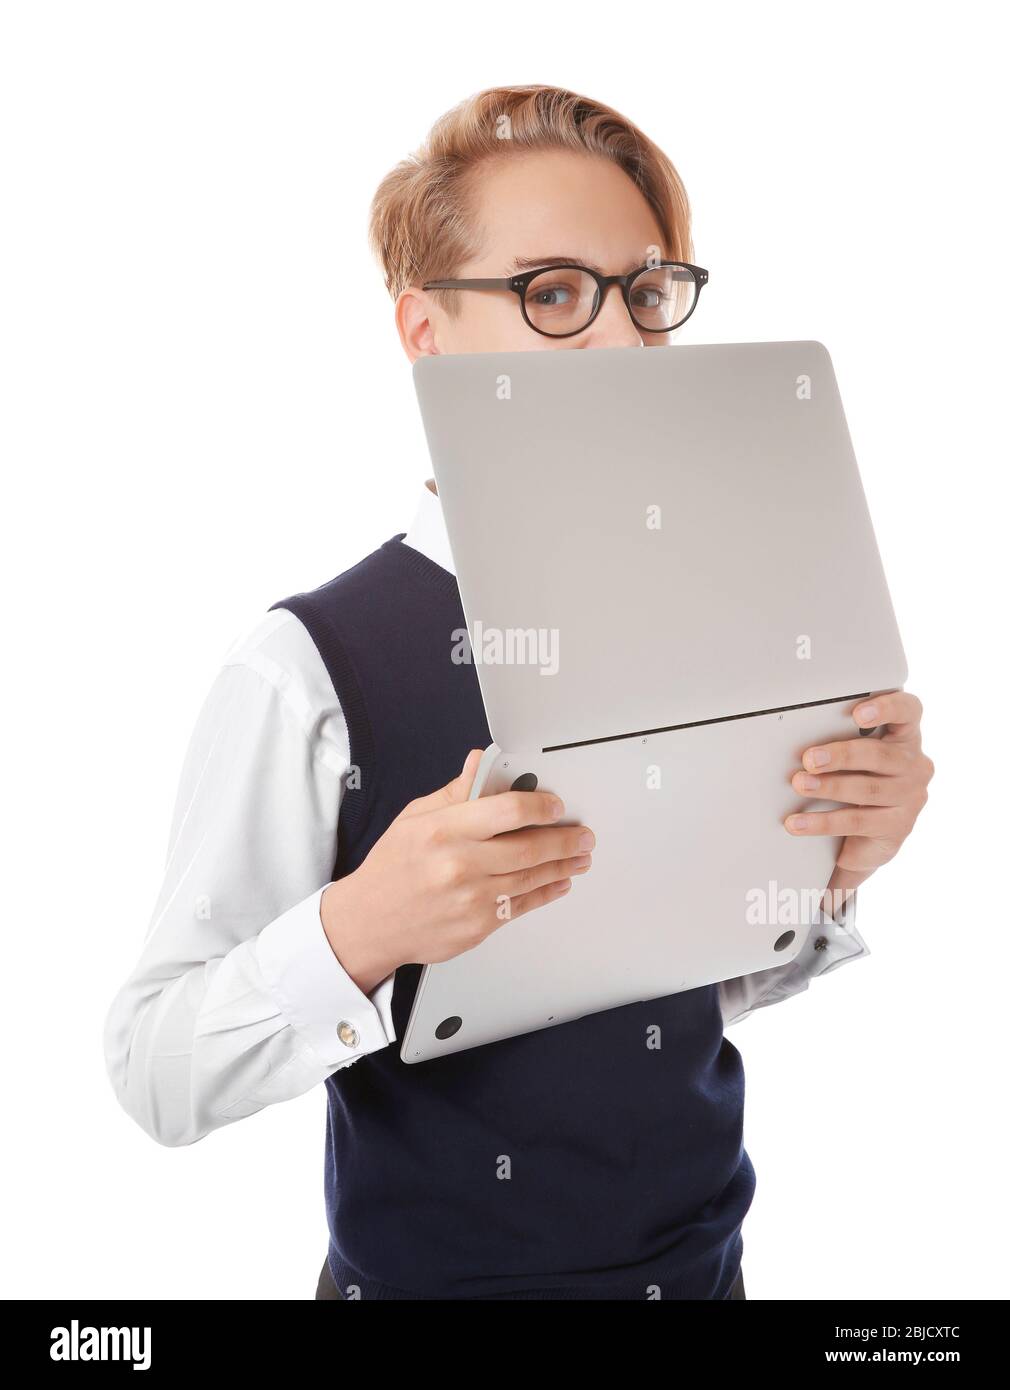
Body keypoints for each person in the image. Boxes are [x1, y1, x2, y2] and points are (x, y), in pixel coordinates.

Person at [103, 84, 934, 1301]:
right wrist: (361, 930)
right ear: (425, 333)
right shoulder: (305, 664)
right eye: (550, 293)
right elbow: (153, 1071)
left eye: (643, 292)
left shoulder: (725, 608)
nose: (617, 339)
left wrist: (836, 853)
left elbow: (690, 984)